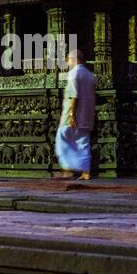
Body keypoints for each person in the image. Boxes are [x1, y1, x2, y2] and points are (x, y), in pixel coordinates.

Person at [55, 48, 95, 180]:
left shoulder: (73, 73)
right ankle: (86, 172)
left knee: (62, 138)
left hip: (73, 112)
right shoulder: (90, 75)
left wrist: (72, 114)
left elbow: (74, 95)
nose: (68, 63)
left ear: (73, 59)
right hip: (87, 113)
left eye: (69, 60)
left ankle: (67, 169)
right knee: (83, 142)